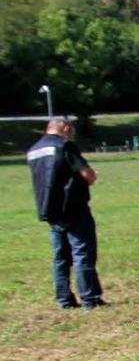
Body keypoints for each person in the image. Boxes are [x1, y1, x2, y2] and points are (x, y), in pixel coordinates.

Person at [25, 117, 103, 310]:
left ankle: (64, 300)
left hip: (49, 209)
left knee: (60, 257)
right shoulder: (65, 146)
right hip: (73, 207)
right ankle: (90, 299)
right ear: (66, 128)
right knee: (82, 253)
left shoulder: (34, 150)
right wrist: (93, 176)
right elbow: (85, 174)